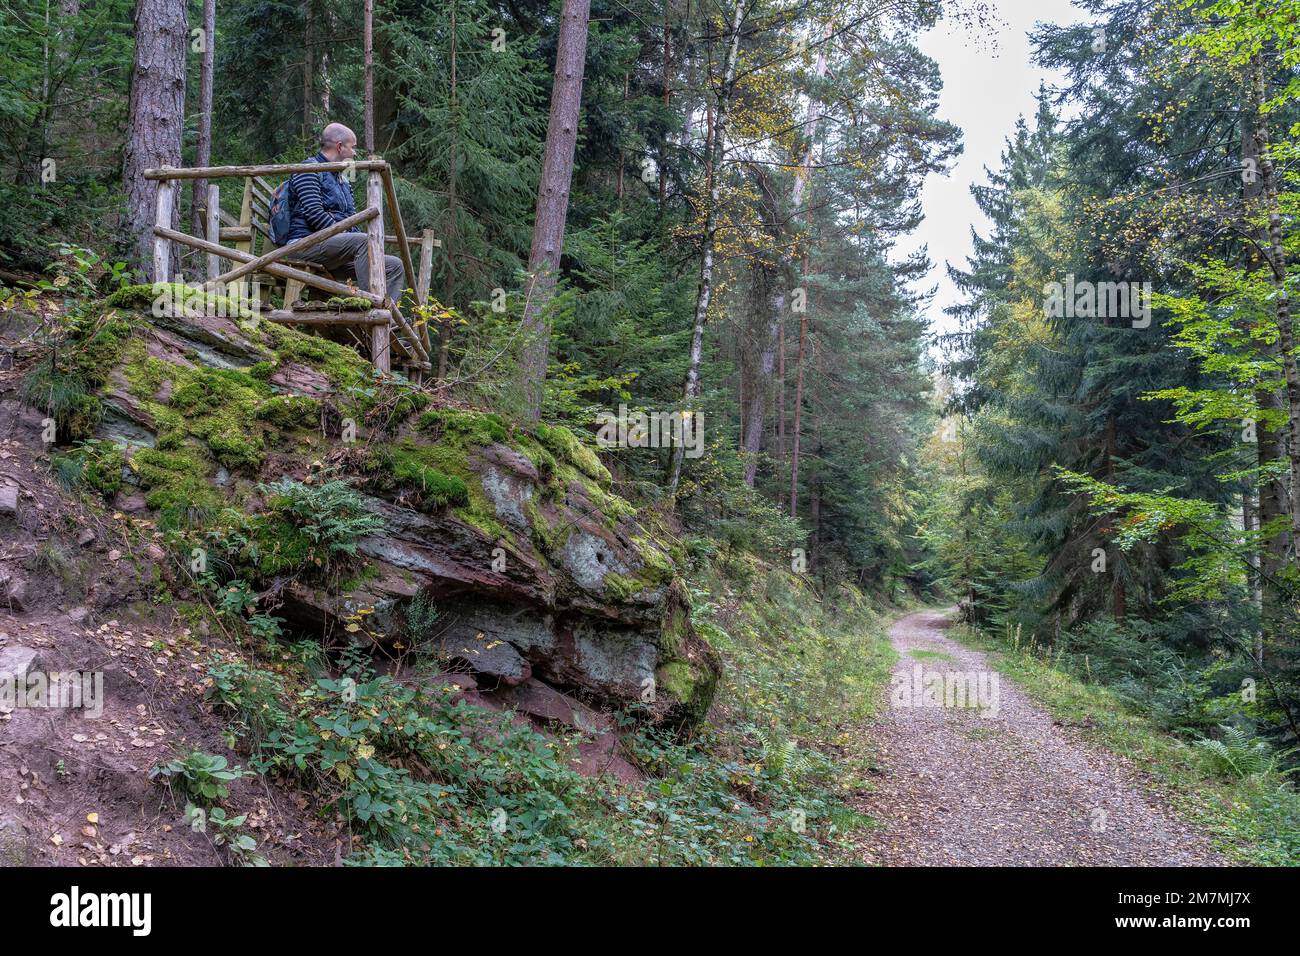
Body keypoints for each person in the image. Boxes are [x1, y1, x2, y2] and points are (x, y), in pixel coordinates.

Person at [284, 123, 405, 305]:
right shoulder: (308, 170)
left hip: (333, 251)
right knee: (364, 241)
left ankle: (389, 319)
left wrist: (350, 235)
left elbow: (351, 219)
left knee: (395, 265)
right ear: (340, 147)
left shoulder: (342, 179)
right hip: (304, 245)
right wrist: (350, 236)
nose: (355, 153)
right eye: (353, 147)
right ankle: (369, 306)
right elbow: (315, 215)